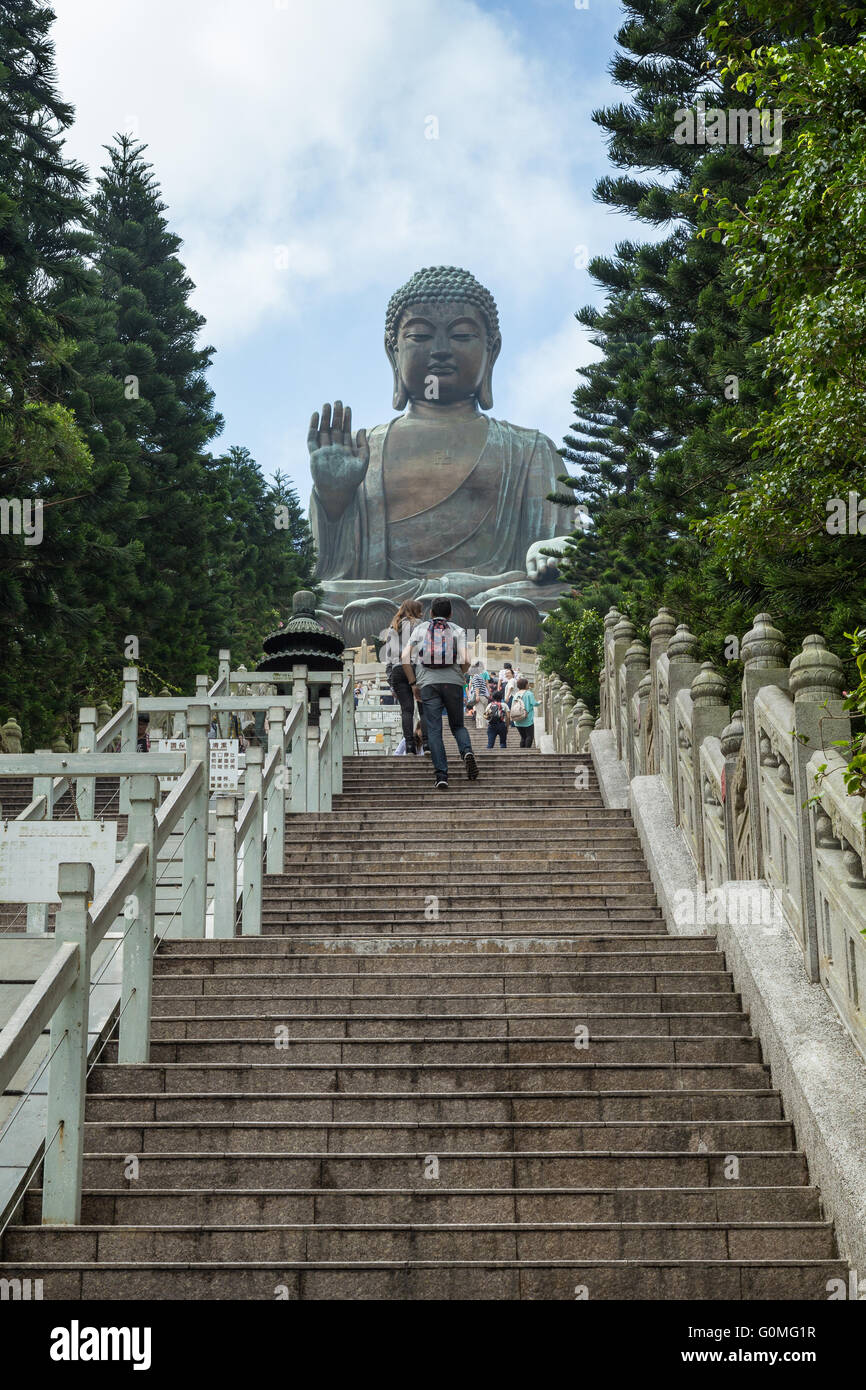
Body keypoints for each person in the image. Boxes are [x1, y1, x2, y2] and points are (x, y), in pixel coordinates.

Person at [401, 596, 479, 790]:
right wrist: (457, 675)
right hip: (452, 683)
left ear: (431, 613)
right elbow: (467, 660)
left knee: (434, 730)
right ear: (451, 614)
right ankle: (466, 752)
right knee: (458, 726)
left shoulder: (420, 629)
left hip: (428, 684)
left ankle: (442, 775)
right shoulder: (457, 630)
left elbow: (404, 657)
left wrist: (413, 684)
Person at [384, 599, 429, 755]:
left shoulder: (393, 627)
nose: (422, 613)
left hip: (397, 669)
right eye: (420, 610)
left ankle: (409, 747)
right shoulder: (421, 625)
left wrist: (391, 683)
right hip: (417, 668)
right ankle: (427, 745)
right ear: (415, 611)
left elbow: (388, 658)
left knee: (406, 710)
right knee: (423, 709)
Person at [510, 676, 537, 748]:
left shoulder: (516, 694)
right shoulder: (529, 693)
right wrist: (540, 702)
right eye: (527, 684)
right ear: (525, 685)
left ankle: (521, 752)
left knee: (523, 737)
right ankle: (527, 752)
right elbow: (534, 703)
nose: (528, 685)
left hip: (518, 719)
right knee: (529, 736)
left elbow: (513, 705)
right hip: (527, 719)